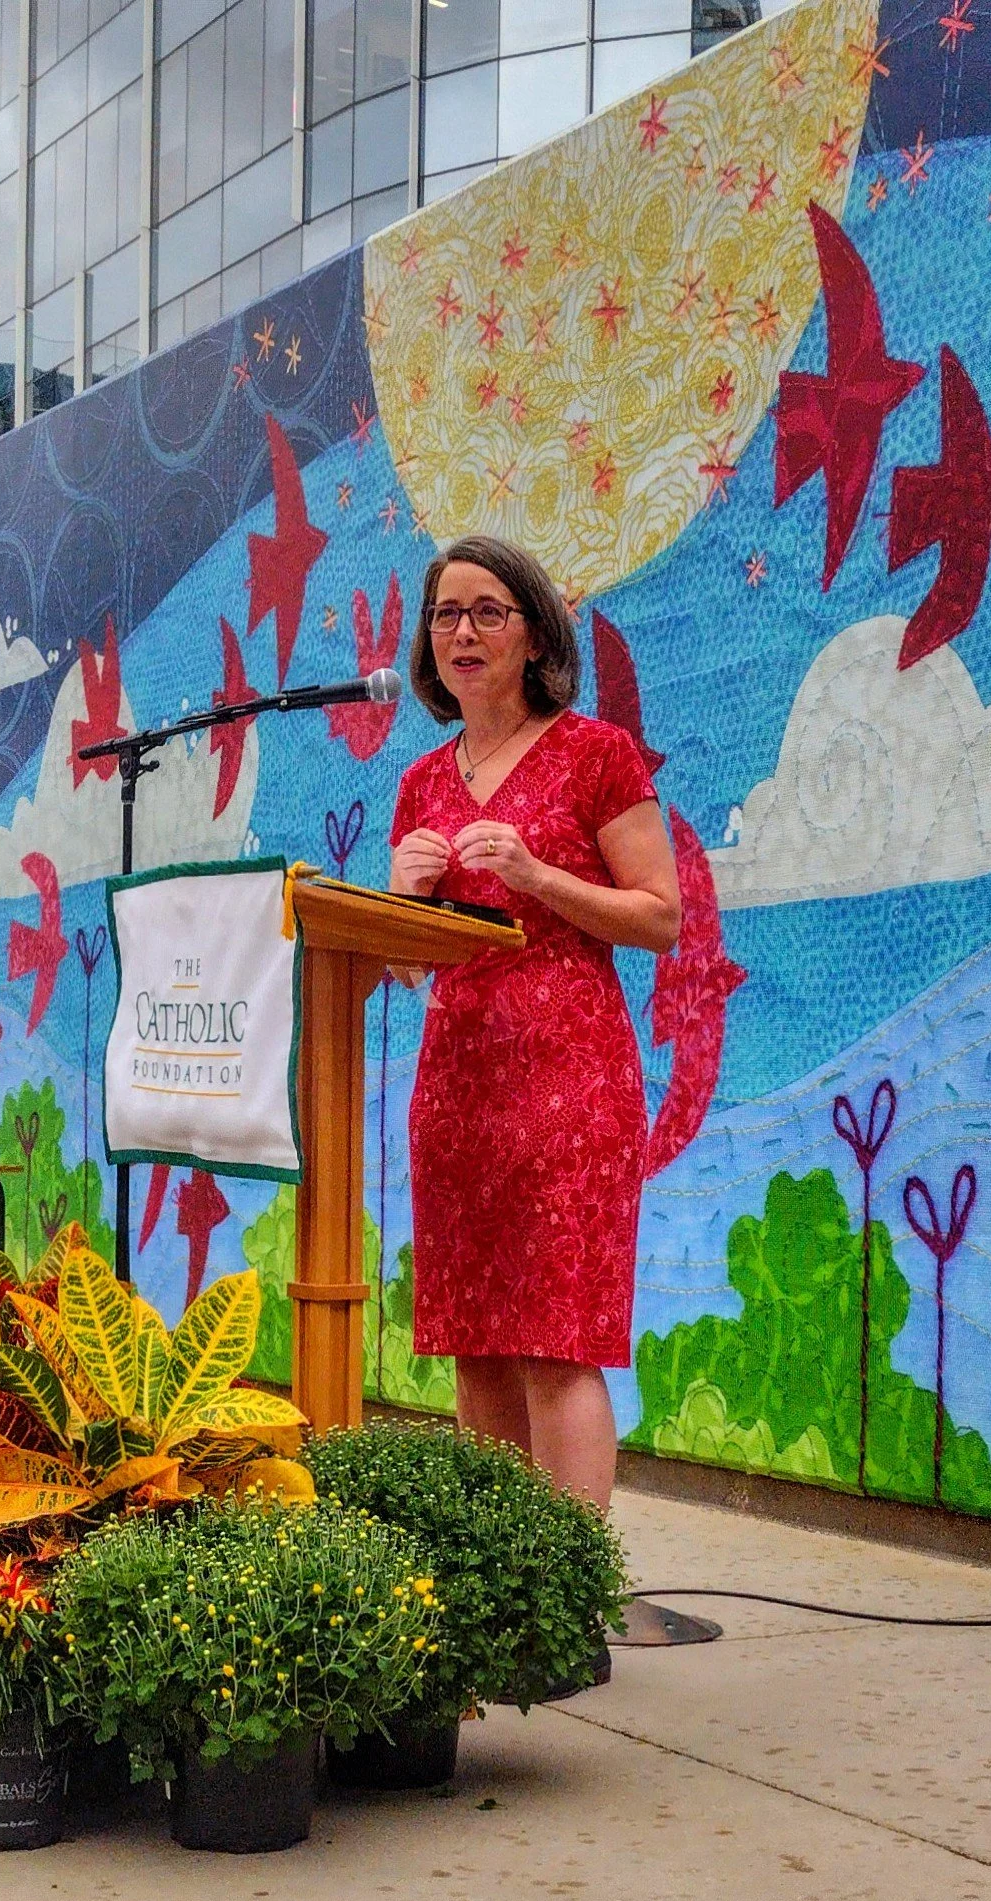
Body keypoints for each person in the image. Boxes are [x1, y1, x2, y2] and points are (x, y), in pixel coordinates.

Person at [387, 534, 682, 1510]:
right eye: (445, 615)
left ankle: (569, 1595)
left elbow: (659, 914)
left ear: (533, 634)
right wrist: (401, 897)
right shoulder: (421, 784)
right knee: (473, 1345)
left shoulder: (596, 753)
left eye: (487, 611)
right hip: (456, 1095)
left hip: (570, 1089)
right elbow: (401, 961)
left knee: (557, 1343)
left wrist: (538, 876)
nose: (462, 631)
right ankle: (504, 1588)